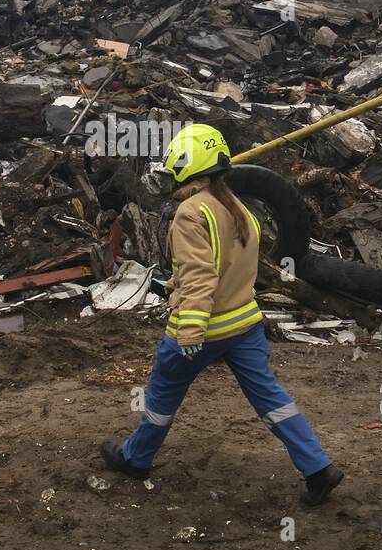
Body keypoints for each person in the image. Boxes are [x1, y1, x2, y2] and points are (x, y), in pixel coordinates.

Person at [99, 124, 344, 507]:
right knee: (271, 399)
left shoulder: (189, 213)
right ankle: (317, 468)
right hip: (244, 325)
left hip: (202, 328)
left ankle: (135, 459)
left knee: (162, 398)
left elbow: (200, 275)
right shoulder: (239, 207)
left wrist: (192, 329)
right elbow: (234, 266)